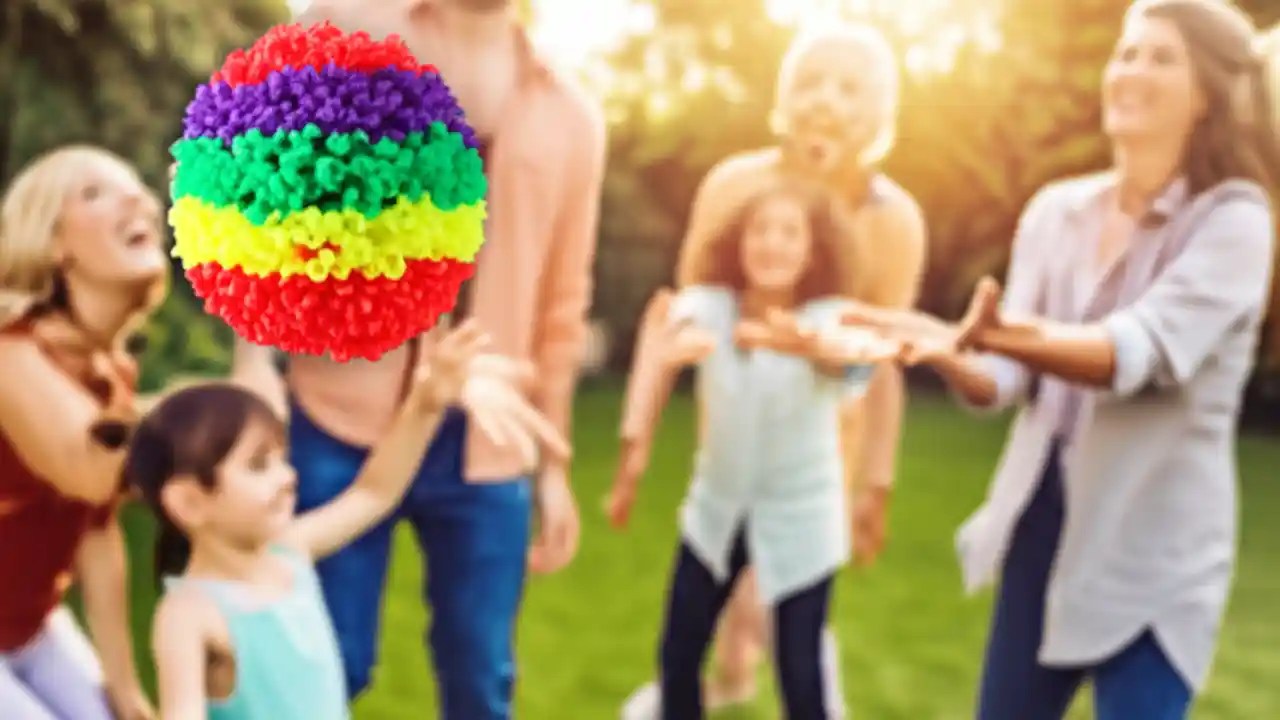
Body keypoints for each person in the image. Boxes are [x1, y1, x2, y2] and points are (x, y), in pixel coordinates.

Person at [842, 1, 1280, 717]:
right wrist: (950, 352)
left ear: (1207, 96)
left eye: (1161, 57)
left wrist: (997, 334)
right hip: (1041, 528)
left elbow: (1132, 351)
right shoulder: (1056, 212)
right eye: (1126, 53)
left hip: (1156, 552)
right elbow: (1006, 382)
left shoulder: (1236, 221)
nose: (1131, 71)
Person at [234, 1, 606, 717]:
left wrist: (553, 465)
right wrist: (253, 357)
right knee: (327, 666)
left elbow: (563, 302)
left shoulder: (571, 116)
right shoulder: (344, 28)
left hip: (484, 442)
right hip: (337, 414)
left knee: (479, 679)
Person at [618, 23, 925, 714]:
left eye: (849, 89)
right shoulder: (736, 185)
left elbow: (886, 357)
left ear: (878, 112)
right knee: (730, 593)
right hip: (735, 423)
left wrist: (875, 481)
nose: (827, 101)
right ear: (787, 96)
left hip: (820, 438)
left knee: (782, 601)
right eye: (813, 82)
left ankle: (778, 686)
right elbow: (697, 315)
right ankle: (721, 680)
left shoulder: (893, 218)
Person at [609, 180, 897, 719]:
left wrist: (801, 344)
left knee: (799, 670)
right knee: (678, 654)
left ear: (813, 251)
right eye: (760, 231)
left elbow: (855, 359)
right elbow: (666, 324)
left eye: (790, 233)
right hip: (716, 508)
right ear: (738, 245)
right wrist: (636, 443)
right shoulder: (712, 308)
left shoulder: (826, 317)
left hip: (803, 515)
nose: (773, 244)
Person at [122, 322, 483, 719]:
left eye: (281, 458)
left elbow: (373, 493)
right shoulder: (189, 615)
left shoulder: (288, 553)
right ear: (190, 502)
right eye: (259, 465)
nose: (288, 476)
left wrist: (425, 405)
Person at [0, 145, 166, 720]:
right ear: (54, 246)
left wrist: (123, 686)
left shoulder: (111, 375)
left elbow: (96, 533)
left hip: (27, 626)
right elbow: (93, 473)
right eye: (95, 193)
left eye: (135, 186)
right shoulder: (11, 351)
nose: (135, 197)